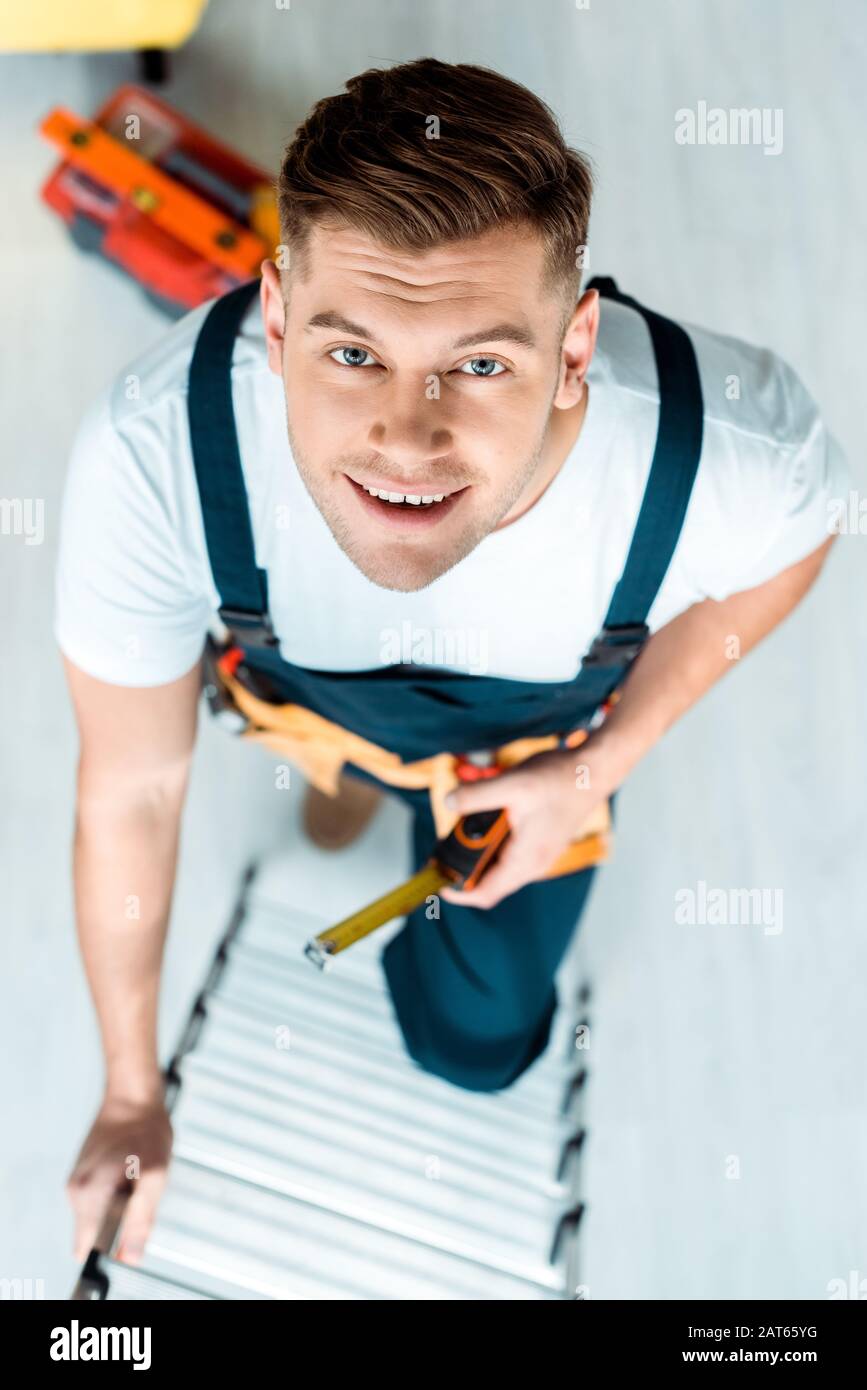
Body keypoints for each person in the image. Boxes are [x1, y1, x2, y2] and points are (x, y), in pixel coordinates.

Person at [57, 58, 847, 1266]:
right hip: (305, 691)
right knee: (308, 742)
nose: (406, 442)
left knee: (473, 1044)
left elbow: (802, 542)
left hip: (538, 751)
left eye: (480, 364)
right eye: (352, 352)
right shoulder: (155, 450)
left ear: (576, 346)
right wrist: (127, 1087)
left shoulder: (726, 447)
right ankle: (339, 771)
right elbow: (133, 786)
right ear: (274, 318)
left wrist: (602, 766)